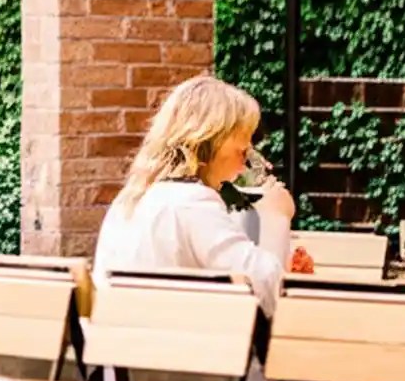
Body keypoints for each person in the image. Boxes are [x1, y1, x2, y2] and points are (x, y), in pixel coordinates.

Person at [93, 75, 296, 317]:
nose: (244, 165)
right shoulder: (192, 203)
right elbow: (269, 295)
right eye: (242, 152)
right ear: (207, 144)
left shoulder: (129, 200)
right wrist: (277, 217)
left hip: (125, 345)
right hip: (181, 348)